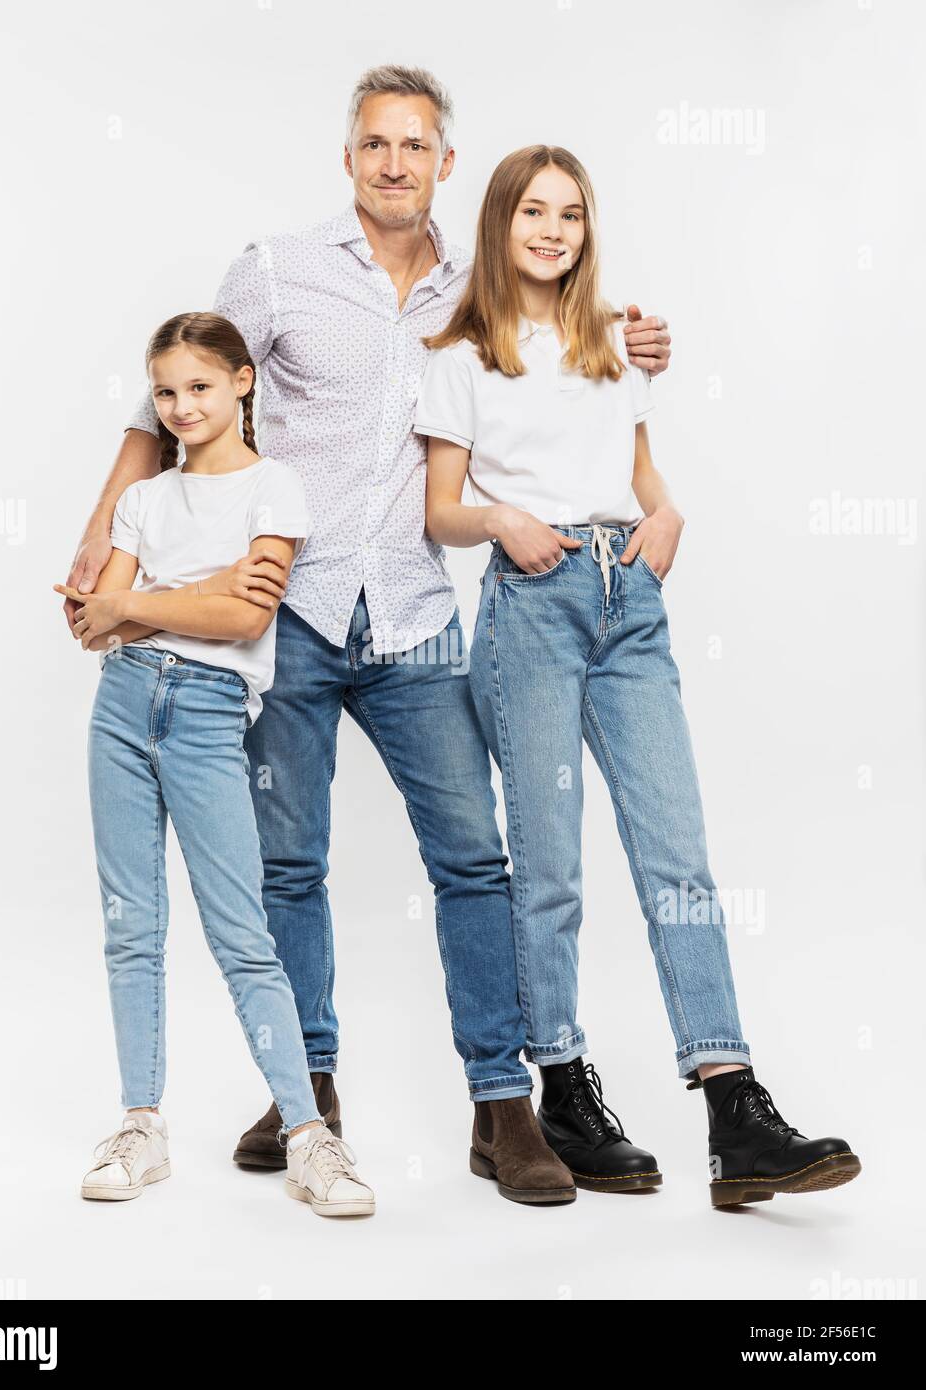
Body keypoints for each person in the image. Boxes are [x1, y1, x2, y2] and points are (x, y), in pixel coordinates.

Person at [62, 65, 671, 1205]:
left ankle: (503, 1102)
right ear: (350, 159)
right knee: (288, 864)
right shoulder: (278, 268)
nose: (397, 163)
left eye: (418, 146)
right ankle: (312, 1092)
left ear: (446, 163)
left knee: (472, 857)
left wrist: (642, 346)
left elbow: (563, 340)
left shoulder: (478, 282)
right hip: (285, 613)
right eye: (376, 144)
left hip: (416, 616)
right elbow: (173, 397)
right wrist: (104, 535)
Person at [416, 145, 861, 1207]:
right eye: (534, 210)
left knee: (679, 853)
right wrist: (503, 520)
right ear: (500, 222)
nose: (554, 229)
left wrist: (663, 515)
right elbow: (440, 509)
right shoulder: (461, 356)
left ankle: (733, 1103)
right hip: (531, 602)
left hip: (631, 600)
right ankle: (562, 1084)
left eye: (571, 212)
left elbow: (638, 465)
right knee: (553, 866)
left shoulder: (619, 340)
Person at [55, 312, 375, 1217]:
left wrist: (135, 601)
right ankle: (140, 1126)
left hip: (204, 715)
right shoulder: (145, 498)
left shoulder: (277, 489)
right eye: (165, 392)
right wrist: (190, 593)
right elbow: (92, 625)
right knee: (132, 927)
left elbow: (246, 623)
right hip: (120, 707)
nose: (181, 406)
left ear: (243, 382)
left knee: (243, 933)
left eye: (199, 386)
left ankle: (312, 1138)